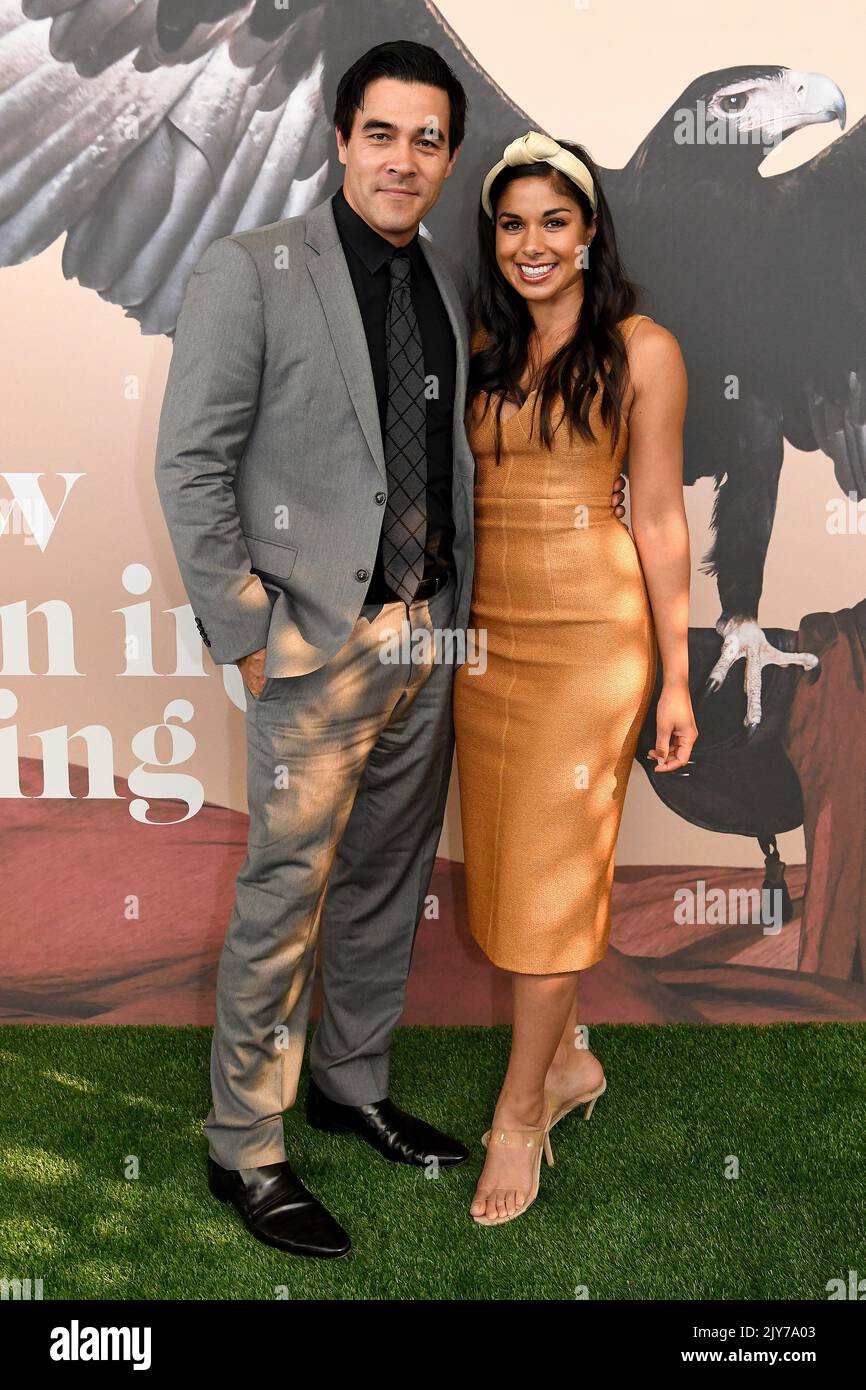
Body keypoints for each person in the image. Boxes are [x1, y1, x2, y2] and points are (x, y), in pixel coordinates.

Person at [156, 43, 626, 1260]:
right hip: (313, 649)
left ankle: (348, 1084)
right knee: (284, 901)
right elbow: (193, 461)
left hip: (431, 637)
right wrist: (246, 634)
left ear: (448, 156)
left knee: (379, 883)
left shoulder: (444, 283)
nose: (402, 159)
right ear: (338, 138)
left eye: (427, 140)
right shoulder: (252, 269)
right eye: (381, 133)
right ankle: (244, 1147)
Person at [452, 131, 698, 1226]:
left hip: (592, 652)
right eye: (511, 223)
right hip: (485, 651)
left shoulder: (643, 349)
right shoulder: (479, 349)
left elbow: (655, 517)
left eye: (554, 220)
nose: (531, 243)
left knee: (552, 883)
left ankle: (519, 1109)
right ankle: (565, 1061)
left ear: (590, 232)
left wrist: (678, 678)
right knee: (510, 875)